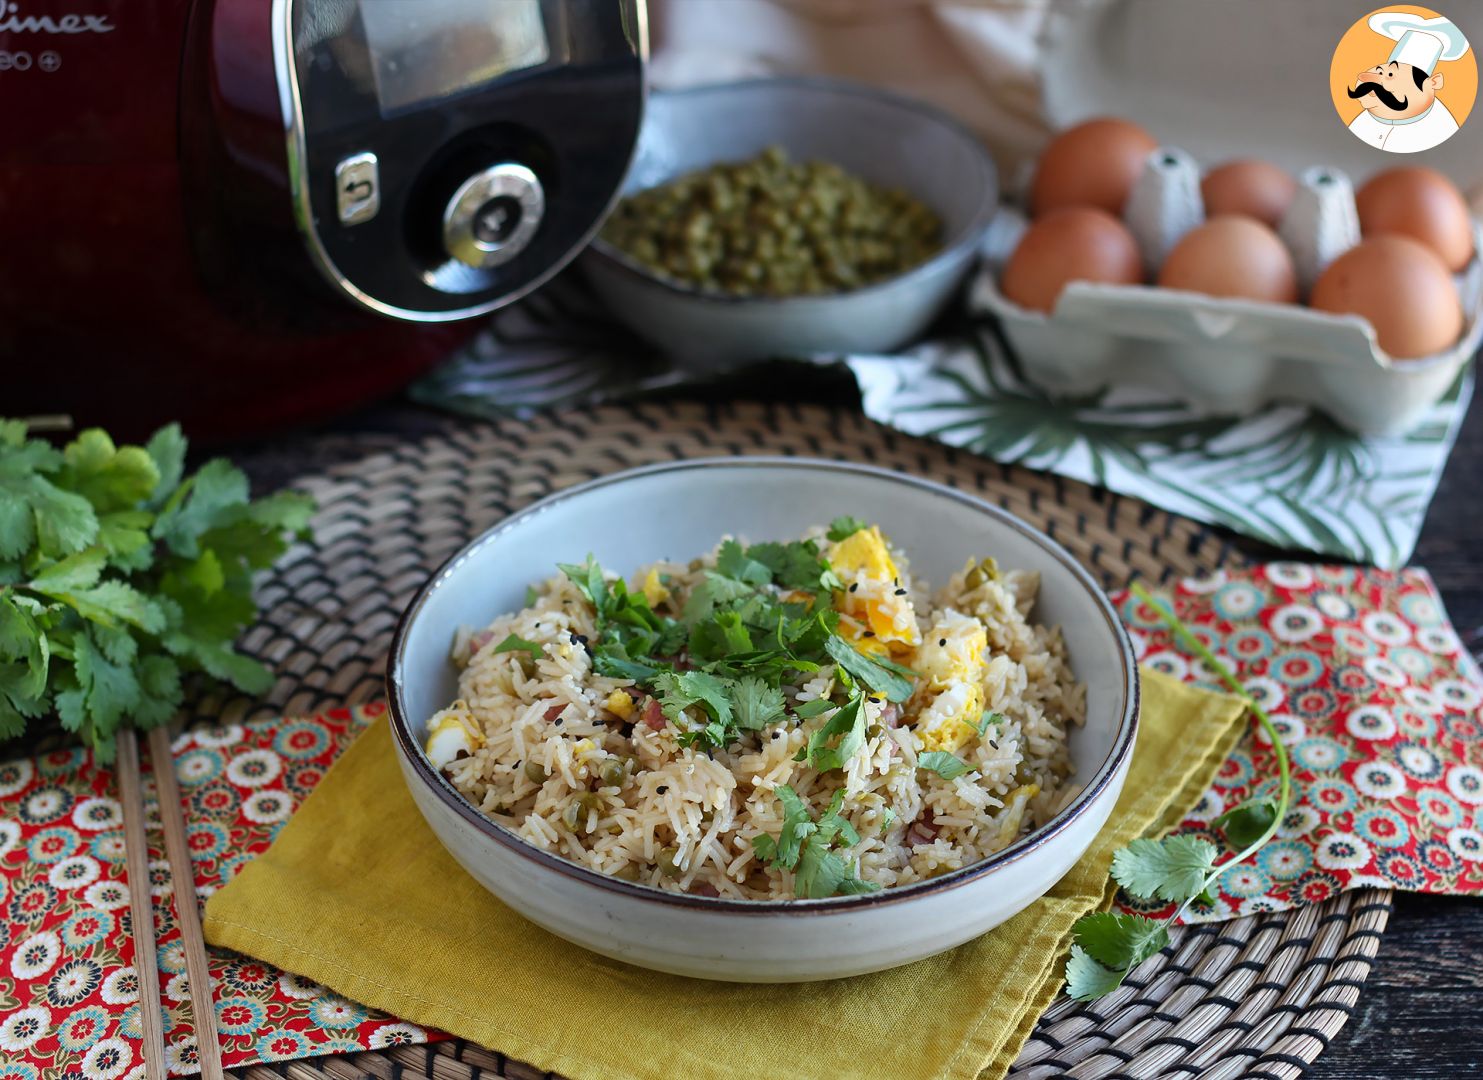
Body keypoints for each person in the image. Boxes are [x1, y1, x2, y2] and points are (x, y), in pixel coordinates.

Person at [1348, 12, 1471, 154]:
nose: (1374, 81)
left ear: (1433, 83)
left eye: (1390, 75)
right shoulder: (1363, 121)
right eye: (1379, 71)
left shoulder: (1438, 130)